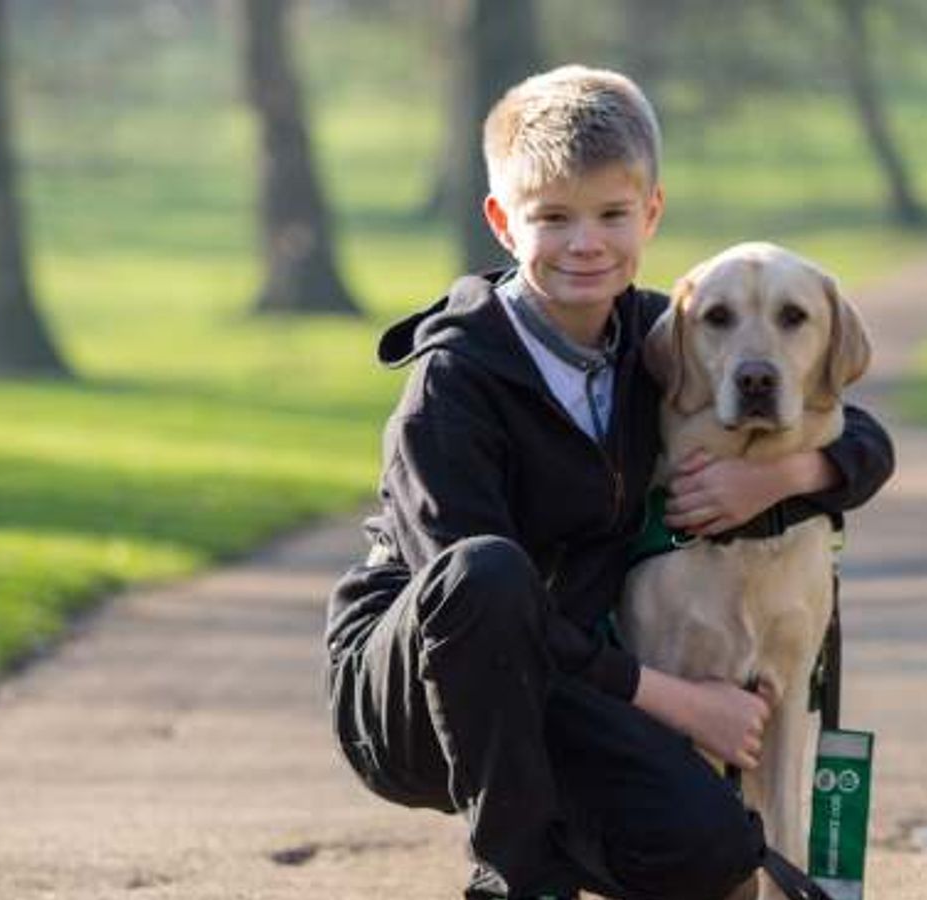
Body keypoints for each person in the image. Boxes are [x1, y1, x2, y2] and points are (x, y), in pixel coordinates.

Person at [324, 65, 894, 900]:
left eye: (611, 215)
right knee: (489, 571)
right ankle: (518, 880)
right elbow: (471, 598)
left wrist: (775, 482)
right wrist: (672, 700)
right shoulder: (453, 383)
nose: (584, 244)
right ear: (502, 221)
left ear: (650, 213)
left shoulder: (660, 338)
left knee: (708, 847)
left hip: (566, 685)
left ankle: (577, 838)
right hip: (420, 693)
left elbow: (860, 435)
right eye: (553, 218)